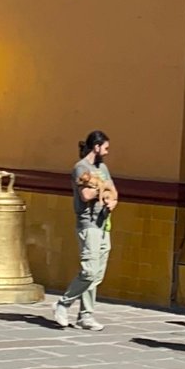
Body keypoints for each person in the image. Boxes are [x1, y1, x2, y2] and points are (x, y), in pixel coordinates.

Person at [54, 131, 117, 331]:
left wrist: (111, 200)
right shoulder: (81, 168)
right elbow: (85, 194)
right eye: (105, 148)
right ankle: (63, 304)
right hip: (88, 223)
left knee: (97, 273)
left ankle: (86, 316)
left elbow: (113, 191)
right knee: (89, 270)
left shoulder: (103, 168)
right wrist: (101, 189)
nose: (107, 152)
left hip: (103, 223)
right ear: (96, 147)